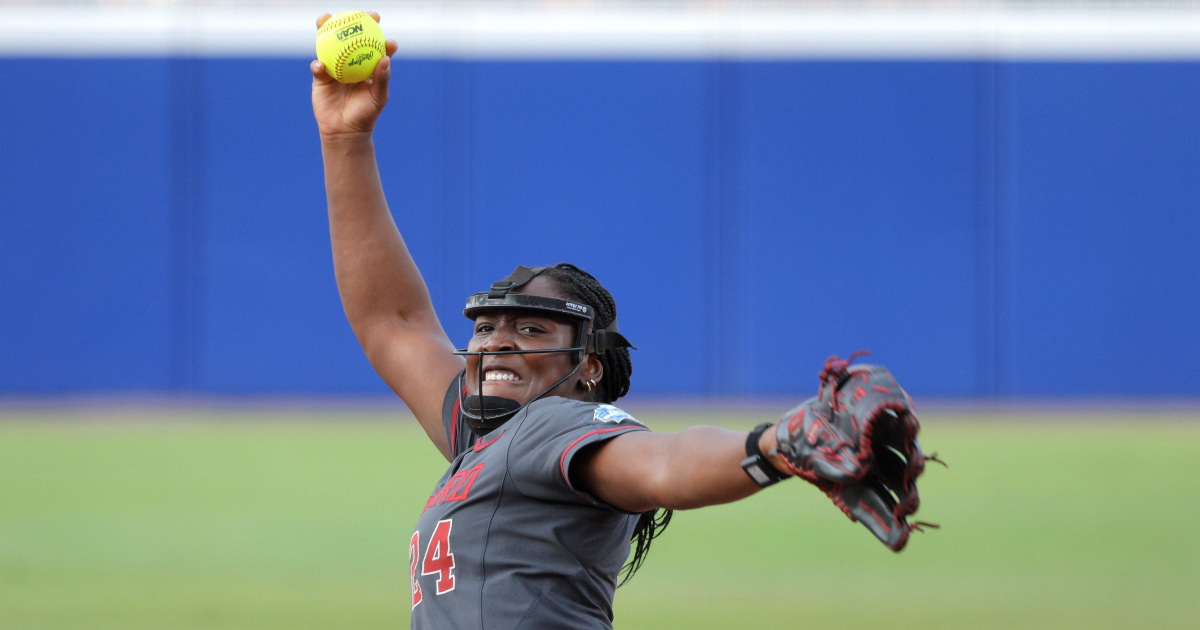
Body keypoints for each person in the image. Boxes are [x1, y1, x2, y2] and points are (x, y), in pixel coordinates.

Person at [311, 13, 795, 629]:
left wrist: (777, 447)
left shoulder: (555, 427)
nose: (498, 343)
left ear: (588, 365)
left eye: (532, 330)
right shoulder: (484, 441)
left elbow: (667, 464)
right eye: (485, 329)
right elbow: (393, 319)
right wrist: (344, 140)